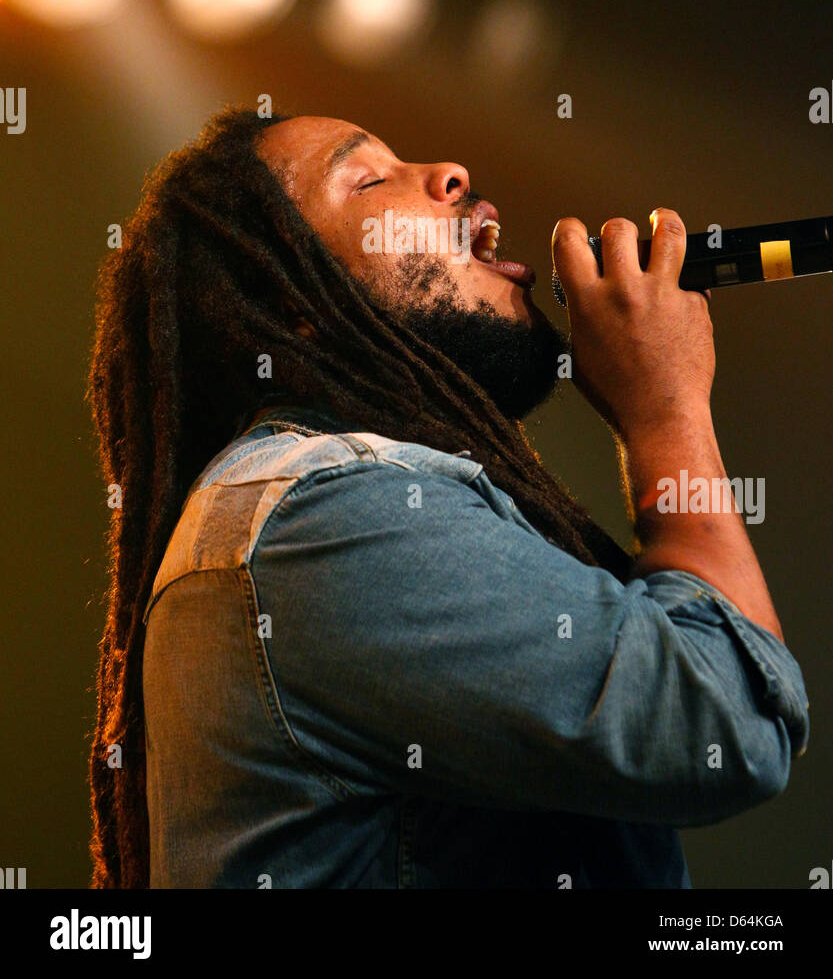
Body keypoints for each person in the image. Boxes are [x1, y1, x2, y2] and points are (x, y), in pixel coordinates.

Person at [87, 106, 809, 888]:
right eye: (366, 177)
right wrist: (666, 409)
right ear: (292, 303)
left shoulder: (346, 501)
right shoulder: (324, 514)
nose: (450, 173)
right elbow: (725, 722)